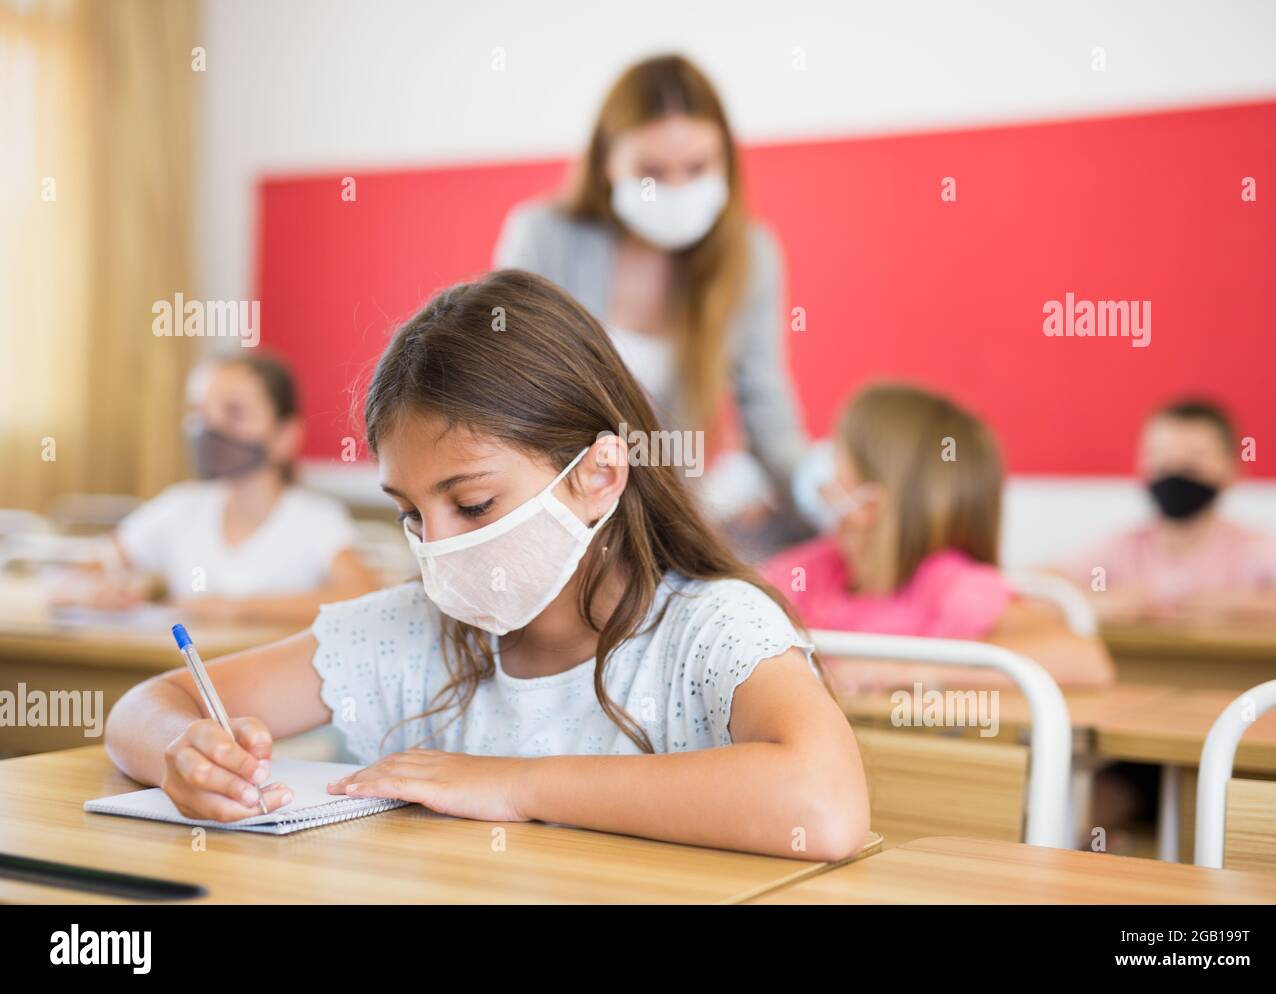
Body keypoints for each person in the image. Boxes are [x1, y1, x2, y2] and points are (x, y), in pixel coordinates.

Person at [103, 270, 870, 861]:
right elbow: (147, 705)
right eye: (410, 514)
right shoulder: (408, 632)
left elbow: (825, 806)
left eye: (471, 506)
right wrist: (184, 753)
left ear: (596, 475)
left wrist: (514, 783)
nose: (435, 545)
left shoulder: (707, 630)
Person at [493, 54, 812, 555]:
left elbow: (768, 417)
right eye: (652, 171)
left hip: (670, 524)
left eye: (697, 167)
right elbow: (501, 399)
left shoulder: (749, 255)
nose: (678, 188)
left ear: (726, 161)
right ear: (606, 162)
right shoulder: (543, 235)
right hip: (553, 521)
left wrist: (818, 489)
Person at [761, 383, 1115, 692]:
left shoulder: (949, 585)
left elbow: (1086, 660)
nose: (820, 469)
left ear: (871, 505)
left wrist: (912, 673)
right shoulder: (815, 569)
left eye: (837, 454)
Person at [73, 354, 377, 626]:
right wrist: (93, 593)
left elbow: (360, 598)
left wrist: (238, 609)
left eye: (234, 412)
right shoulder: (180, 509)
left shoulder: (315, 520)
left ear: (285, 436)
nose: (210, 428)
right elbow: (77, 573)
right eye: (199, 411)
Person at [1053, 398, 1276, 624]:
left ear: (1232, 469)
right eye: (1161, 457)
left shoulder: (1253, 549)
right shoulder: (1124, 547)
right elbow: (1040, 586)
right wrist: (1099, 604)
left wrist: (1241, 606)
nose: (1175, 471)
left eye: (1193, 460)